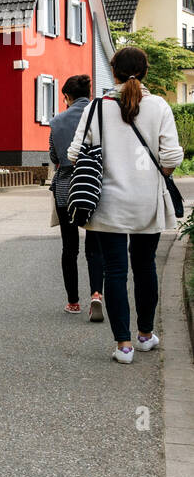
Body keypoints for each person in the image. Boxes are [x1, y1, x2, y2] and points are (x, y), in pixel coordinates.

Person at [67, 47, 183, 363]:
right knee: (145, 266)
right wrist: (157, 175)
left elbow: (74, 154)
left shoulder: (96, 108)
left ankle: (124, 346)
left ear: (113, 72)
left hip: (108, 204)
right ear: (144, 72)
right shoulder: (159, 106)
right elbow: (172, 157)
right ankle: (145, 335)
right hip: (147, 204)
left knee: (115, 271)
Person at [48, 74, 103, 318]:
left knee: (69, 247)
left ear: (67, 97)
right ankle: (96, 294)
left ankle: (73, 302)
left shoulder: (57, 121)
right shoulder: (100, 115)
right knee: (95, 244)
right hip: (93, 185)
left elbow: (53, 156)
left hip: (65, 187)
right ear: (88, 95)